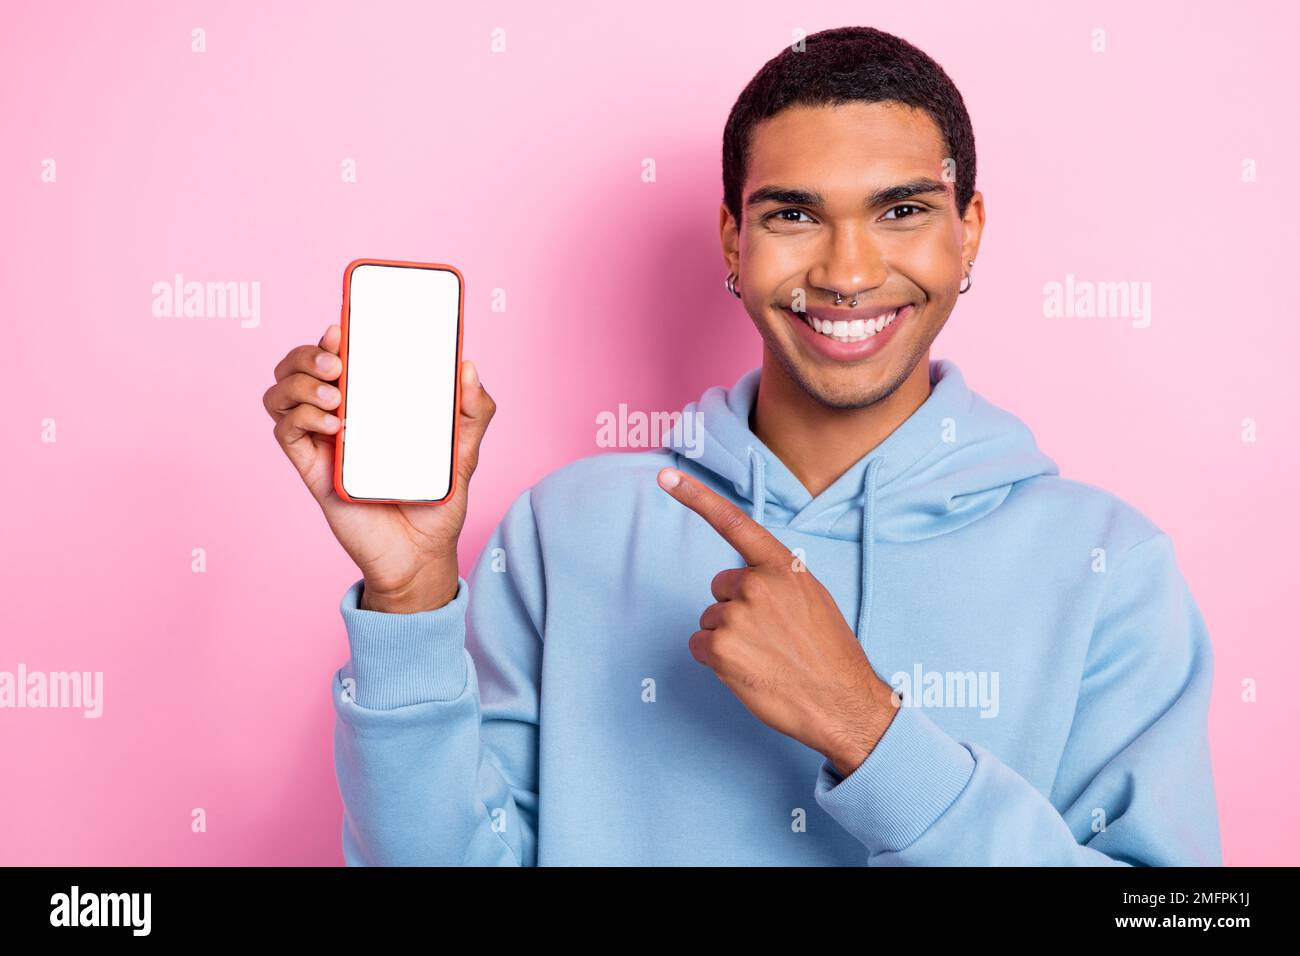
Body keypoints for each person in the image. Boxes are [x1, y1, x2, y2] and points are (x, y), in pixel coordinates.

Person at [263, 26, 1222, 865]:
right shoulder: (569, 530)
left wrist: (870, 732)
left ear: (968, 233)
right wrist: (409, 594)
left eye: (903, 211)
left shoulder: (1109, 567)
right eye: (793, 215)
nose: (848, 272)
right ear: (732, 242)